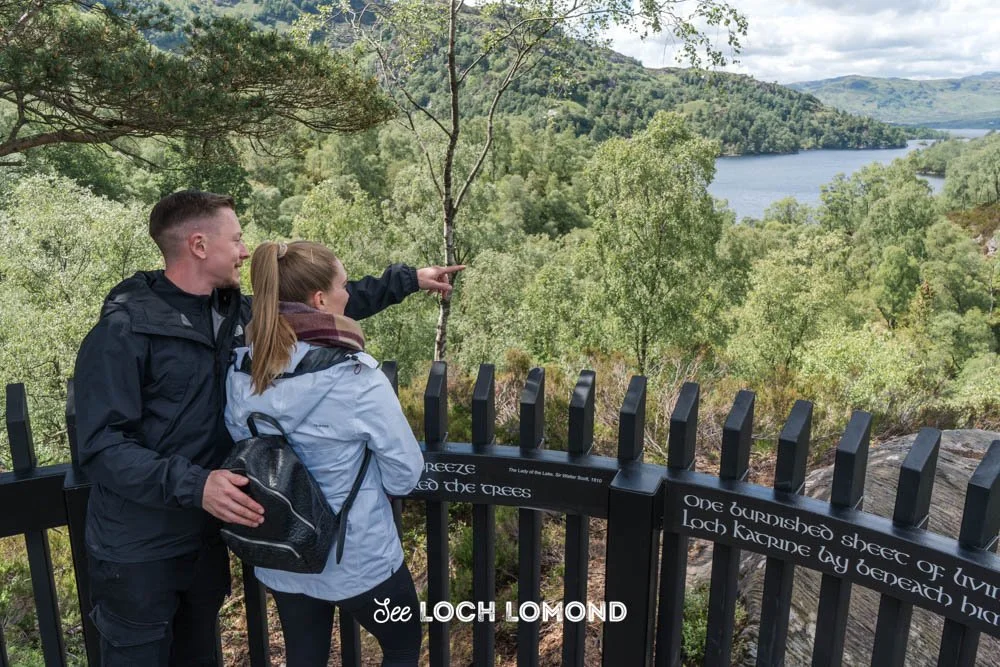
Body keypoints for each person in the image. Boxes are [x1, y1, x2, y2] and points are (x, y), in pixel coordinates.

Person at [73, 190, 461, 666]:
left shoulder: (232, 314)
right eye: (235, 239)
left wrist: (408, 280)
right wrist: (197, 485)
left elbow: (316, 303)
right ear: (198, 245)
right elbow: (99, 446)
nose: (243, 250)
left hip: (206, 537)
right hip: (138, 548)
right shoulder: (124, 330)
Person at [225, 240, 424, 666]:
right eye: (344, 285)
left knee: (305, 653)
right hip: (358, 558)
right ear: (320, 300)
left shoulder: (242, 372)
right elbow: (406, 473)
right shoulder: (356, 378)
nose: (349, 294)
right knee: (404, 644)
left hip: (286, 553)